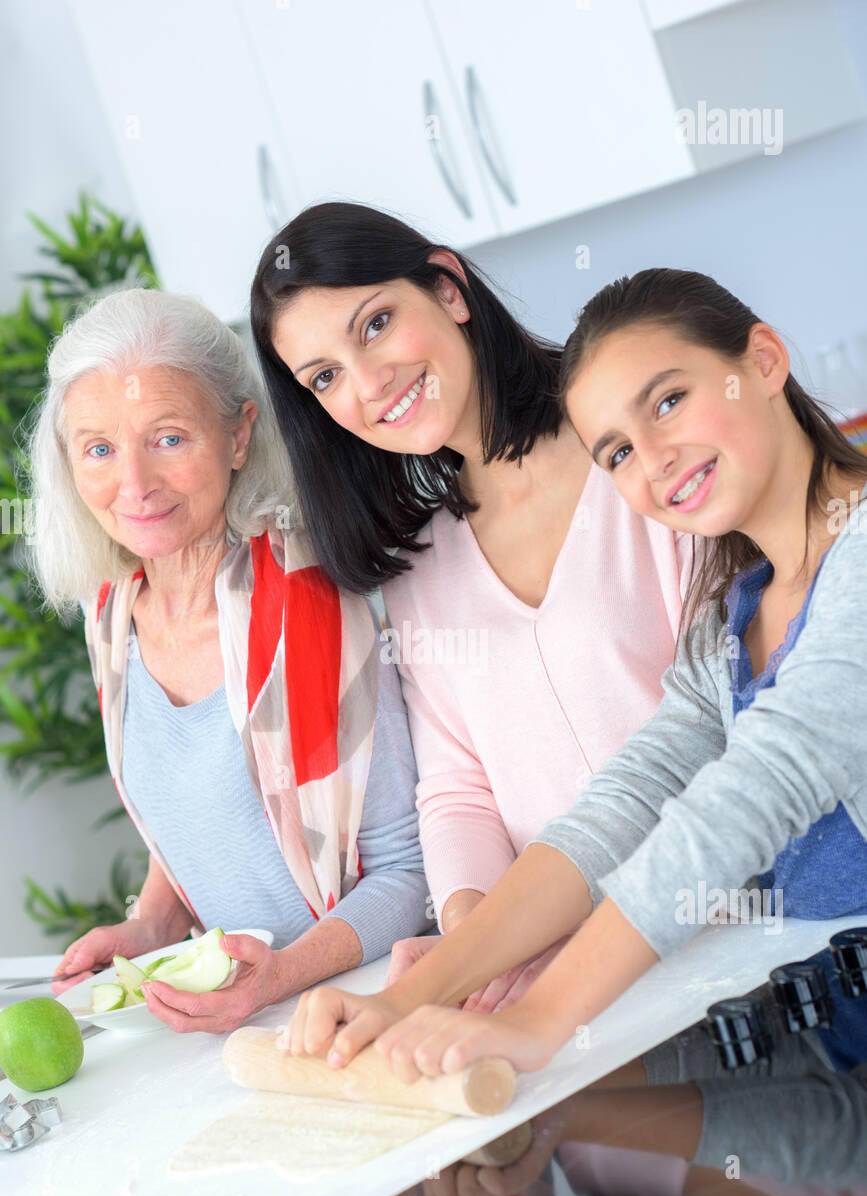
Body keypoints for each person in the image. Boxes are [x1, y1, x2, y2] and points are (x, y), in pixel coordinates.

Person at [282, 267, 867, 1075]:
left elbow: (759, 785)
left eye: (667, 401)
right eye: (618, 451)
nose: (655, 458)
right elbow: (619, 807)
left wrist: (537, 1022)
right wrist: (406, 998)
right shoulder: (732, 623)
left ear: (763, 360)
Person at [250, 203, 693, 1006]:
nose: (368, 383)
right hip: (559, 970)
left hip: (719, 932)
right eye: (323, 377)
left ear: (449, 288)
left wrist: (505, 942)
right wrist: (468, 928)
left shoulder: (633, 458)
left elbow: (716, 726)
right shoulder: (420, 567)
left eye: (376, 323)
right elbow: (457, 788)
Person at [27, 287, 428, 1033]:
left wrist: (284, 977)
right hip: (248, 1025)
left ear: (239, 434)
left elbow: (410, 874)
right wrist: (152, 923)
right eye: (100, 450)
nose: (134, 486)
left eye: (169, 438)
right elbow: (208, 815)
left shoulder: (317, 601)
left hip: (370, 1008)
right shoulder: (113, 611)